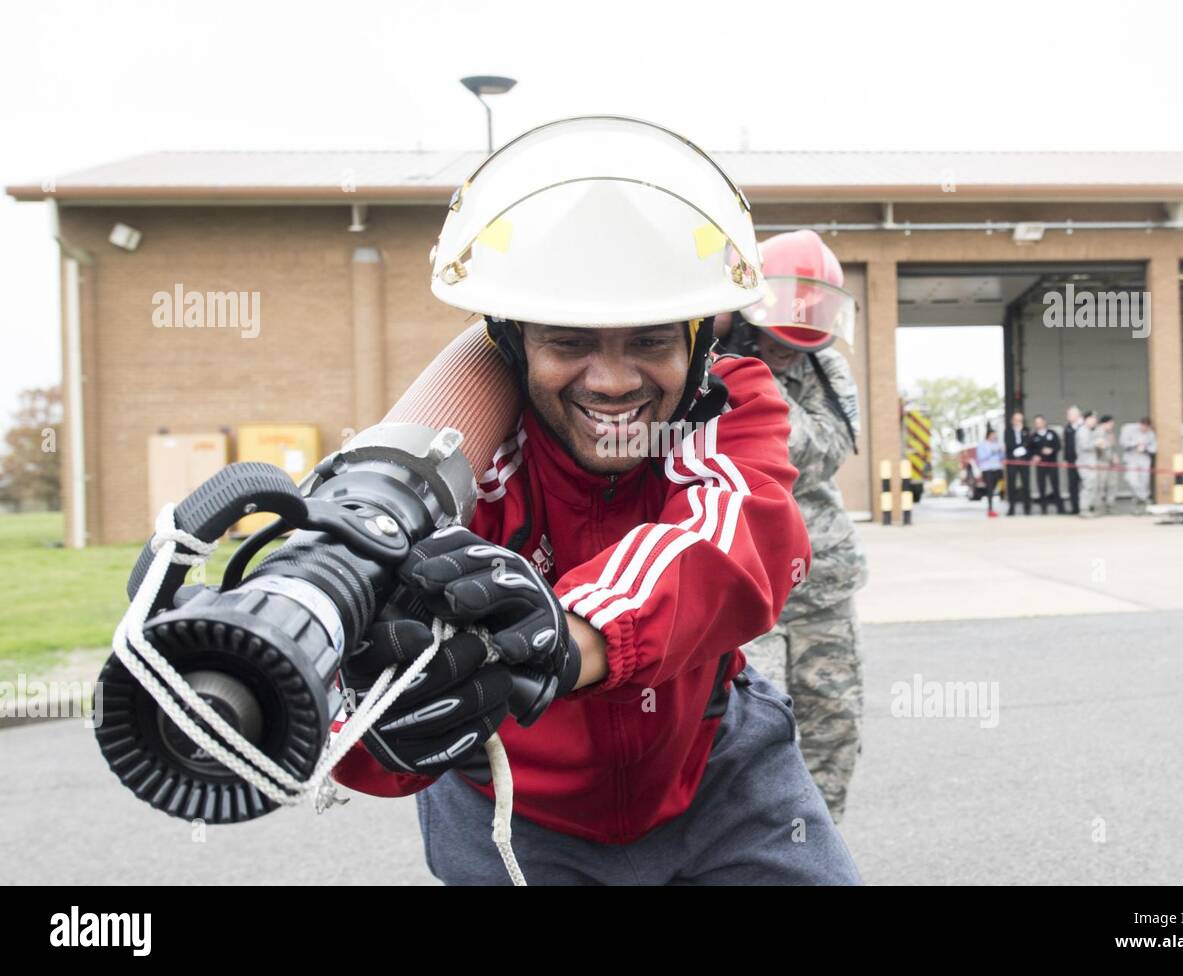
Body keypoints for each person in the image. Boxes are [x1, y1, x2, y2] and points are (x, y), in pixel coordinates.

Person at [331, 117, 860, 885]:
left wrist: (556, 636)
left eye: (648, 342)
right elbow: (372, 759)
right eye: (569, 342)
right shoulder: (458, 451)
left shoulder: (728, 397)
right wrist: (373, 699)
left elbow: (732, 536)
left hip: (714, 773)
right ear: (514, 343)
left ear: (698, 342)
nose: (611, 381)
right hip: (515, 814)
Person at [716, 229, 866, 823]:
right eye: (777, 341)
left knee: (835, 723)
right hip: (745, 579)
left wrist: (753, 386)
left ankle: (817, 848)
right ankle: (756, 850)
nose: (786, 352)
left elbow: (824, 451)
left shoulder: (824, 365)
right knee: (754, 729)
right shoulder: (708, 351)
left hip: (823, 583)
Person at [1120, 417, 1157, 512]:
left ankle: (1139, 503)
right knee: (1132, 480)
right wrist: (1135, 444)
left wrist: (1145, 448)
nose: (1144, 429)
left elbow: (1154, 448)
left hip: (1144, 460)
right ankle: (1144, 497)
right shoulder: (1129, 429)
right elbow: (1123, 443)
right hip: (1132, 459)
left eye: (1146, 427)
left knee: (1144, 482)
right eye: (1143, 426)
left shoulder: (1150, 434)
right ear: (1140, 424)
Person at [1029, 414, 1064, 514]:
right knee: (1041, 486)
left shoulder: (1052, 433)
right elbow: (1030, 449)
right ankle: (1043, 509)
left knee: (1055, 486)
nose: (1038, 424)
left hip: (1052, 463)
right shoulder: (1034, 436)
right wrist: (1037, 454)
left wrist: (1052, 450)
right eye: (1036, 423)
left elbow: (1058, 446)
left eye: (1040, 422)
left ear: (1044, 422)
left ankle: (1060, 509)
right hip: (1040, 465)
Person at [1004, 411, 1032, 515]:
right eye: (1016, 420)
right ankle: (1011, 508)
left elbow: (1029, 443)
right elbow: (1009, 443)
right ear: (1012, 421)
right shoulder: (1008, 431)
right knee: (1011, 485)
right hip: (1012, 461)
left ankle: (1027, 508)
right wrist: (1016, 450)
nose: (1018, 422)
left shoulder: (1026, 430)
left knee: (1026, 485)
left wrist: (1023, 449)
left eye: (1020, 420)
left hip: (1024, 461)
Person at [975, 428, 1005, 518]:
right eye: (993, 435)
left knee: (996, 488)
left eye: (995, 435)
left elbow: (1001, 457)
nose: (994, 436)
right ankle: (990, 509)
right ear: (988, 435)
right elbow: (981, 457)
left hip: (997, 469)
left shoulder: (998, 445)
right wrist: (992, 452)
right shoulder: (982, 445)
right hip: (987, 469)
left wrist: (1002, 451)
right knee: (989, 489)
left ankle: (996, 506)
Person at [1074, 412, 1100, 516]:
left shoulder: (1090, 431)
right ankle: (1084, 509)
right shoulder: (1082, 431)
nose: (1095, 421)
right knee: (1088, 486)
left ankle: (1089, 507)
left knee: (1093, 486)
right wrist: (1096, 443)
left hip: (1091, 463)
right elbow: (1084, 446)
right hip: (1085, 463)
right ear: (1087, 419)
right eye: (1093, 419)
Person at [1094, 415, 1119, 514]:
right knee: (1100, 485)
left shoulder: (1110, 433)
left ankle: (1110, 506)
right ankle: (1098, 507)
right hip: (1101, 462)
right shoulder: (1098, 432)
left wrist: (1115, 457)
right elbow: (1101, 447)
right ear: (1105, 423)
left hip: (1111, 462)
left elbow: (1113, 448)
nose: (1112, 426)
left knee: (1112, 484)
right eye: (1111, 423)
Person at [1063, 405, 1083, 514]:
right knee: (1072, 485)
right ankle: (1075, 508)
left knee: (1085, 484)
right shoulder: (1068, 428)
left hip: (1083, 461)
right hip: (1071, 461)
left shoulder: (1084, 426)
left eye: (1069, 414)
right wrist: (1066, 459)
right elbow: (1066, 445)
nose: (1068, 416)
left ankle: (1085, 507)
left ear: (1077, 415)